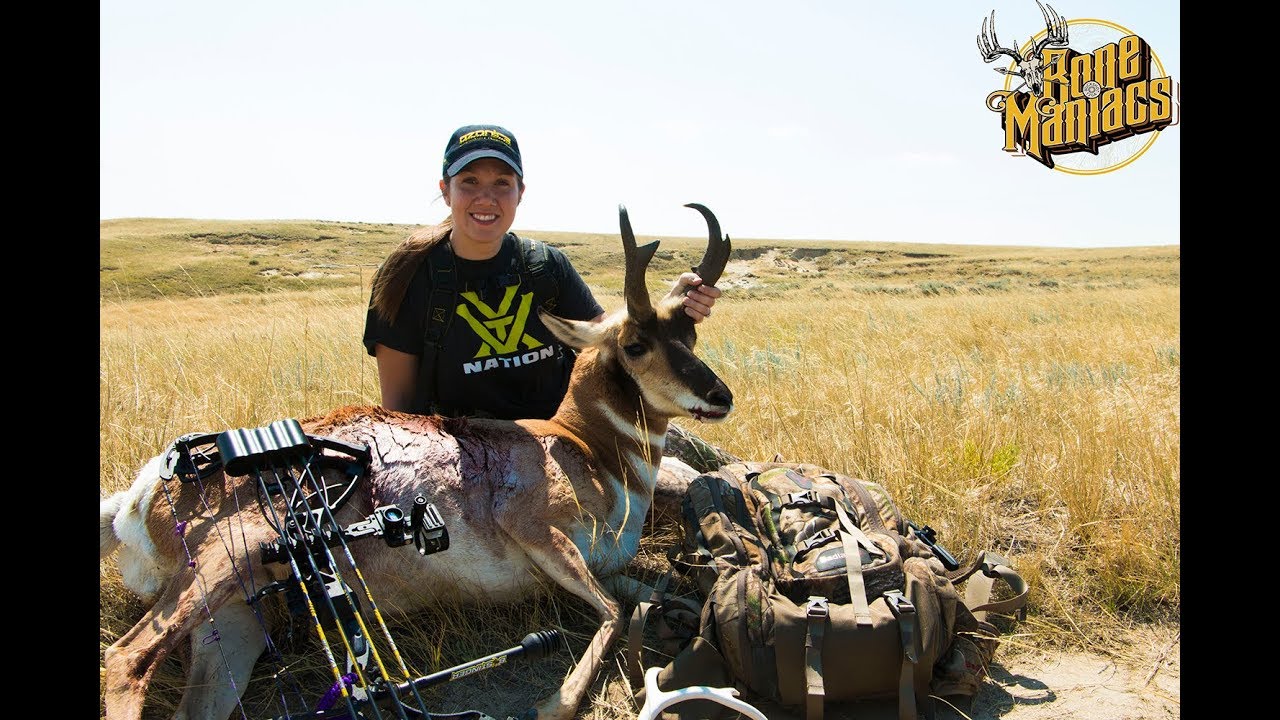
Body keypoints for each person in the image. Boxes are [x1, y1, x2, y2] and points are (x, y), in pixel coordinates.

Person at [362, 124, 736, 470]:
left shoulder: (543, 265)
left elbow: (610, 337)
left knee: (706, 460)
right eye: (470, 181)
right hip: (472, 459)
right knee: (679, 489)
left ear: (520, 192)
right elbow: (398, 414)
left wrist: (669, 310)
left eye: (502, 183)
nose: (486, 198)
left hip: (565, 437)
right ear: (446, 190)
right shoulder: (408, 279)